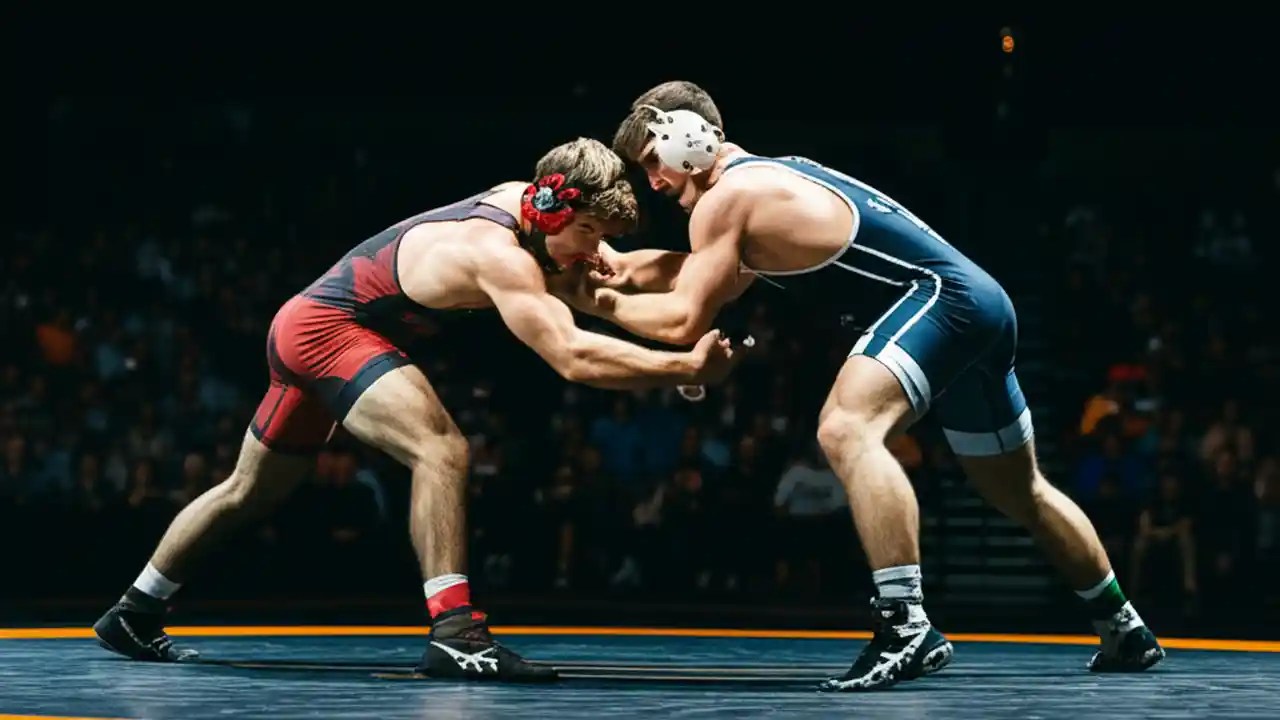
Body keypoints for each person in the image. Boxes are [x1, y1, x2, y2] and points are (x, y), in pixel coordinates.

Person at [580, 81, 1164, 691]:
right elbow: (694, 274)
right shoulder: (768, 182)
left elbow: (684, 317)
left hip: (943, 303)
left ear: (689, 139)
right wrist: (610, 269)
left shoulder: (726, 201)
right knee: (1022, 493)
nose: (651, 181)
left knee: (846, 427)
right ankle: (1123, 627)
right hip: (979, 305)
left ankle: (906, 625)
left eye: (651, 160)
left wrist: (591, 301)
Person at [92, 137, 741, 682]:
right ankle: (457, 631)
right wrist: (684, 367)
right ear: (549, 209)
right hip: (328, 332)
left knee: (247, 492)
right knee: (443, 449)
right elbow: (571, 355)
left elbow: (621, 279)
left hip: (306, 325)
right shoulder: (492, 254)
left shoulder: (530, 209)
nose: (595, 250)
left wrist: (738, 258)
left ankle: (134, 611)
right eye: (589, 233)